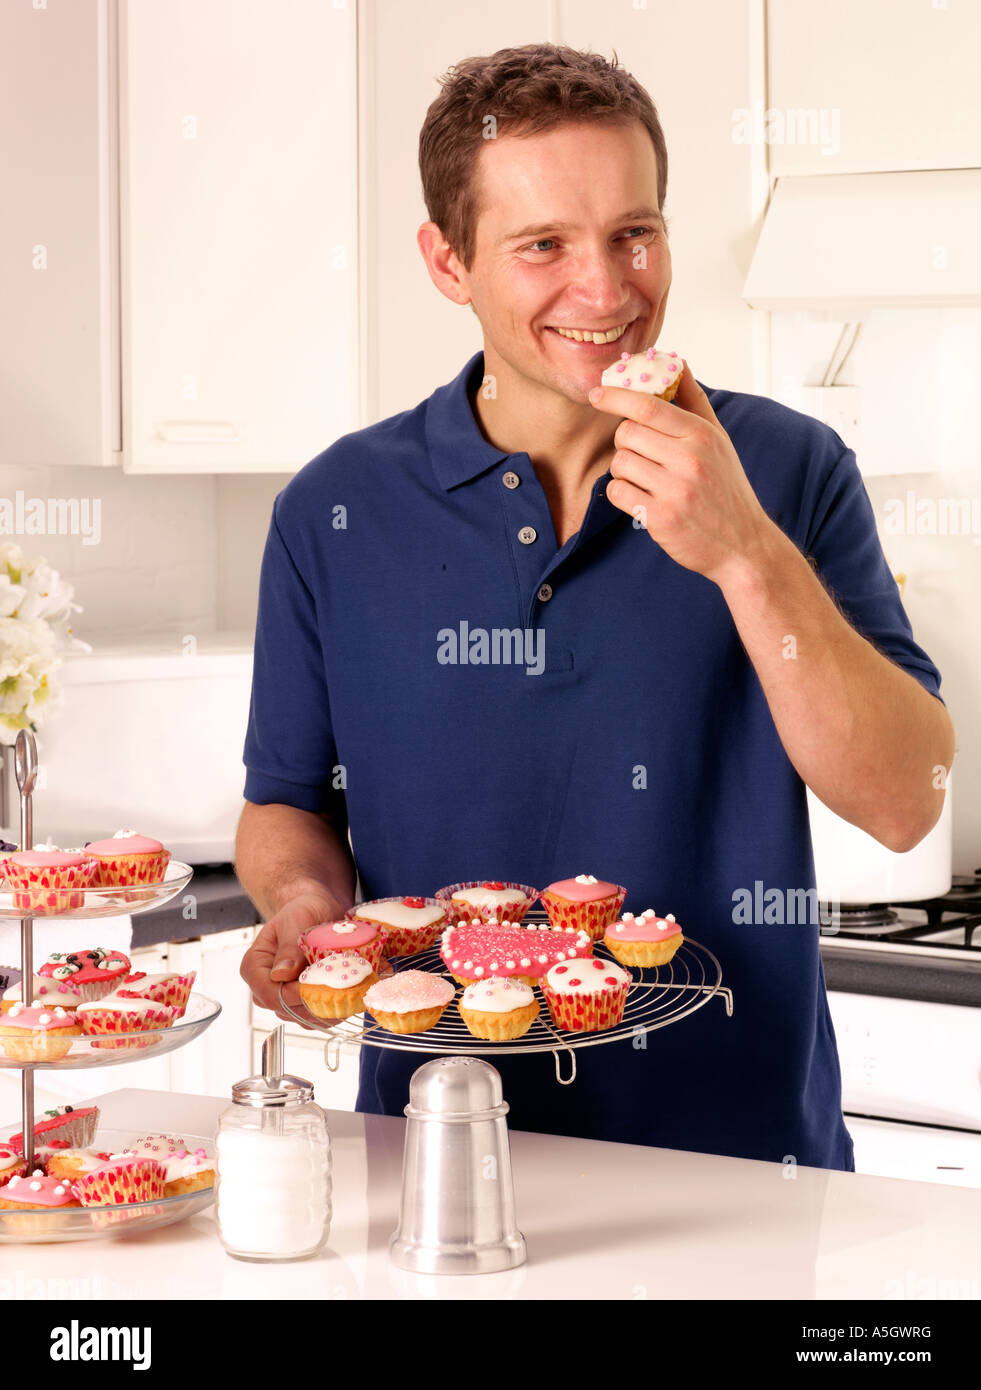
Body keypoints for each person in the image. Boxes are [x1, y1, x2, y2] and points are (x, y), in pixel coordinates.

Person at [237, 44, 953, 1170]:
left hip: (748, 1176)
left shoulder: (790, 467)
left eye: (634, 232)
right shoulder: (334, 508)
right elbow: (286, 805)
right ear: (447, 262)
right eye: (543, 247)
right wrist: (301, 907)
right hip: (433, 1168)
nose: (609, 289)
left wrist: (746, 553)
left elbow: (911, 800)